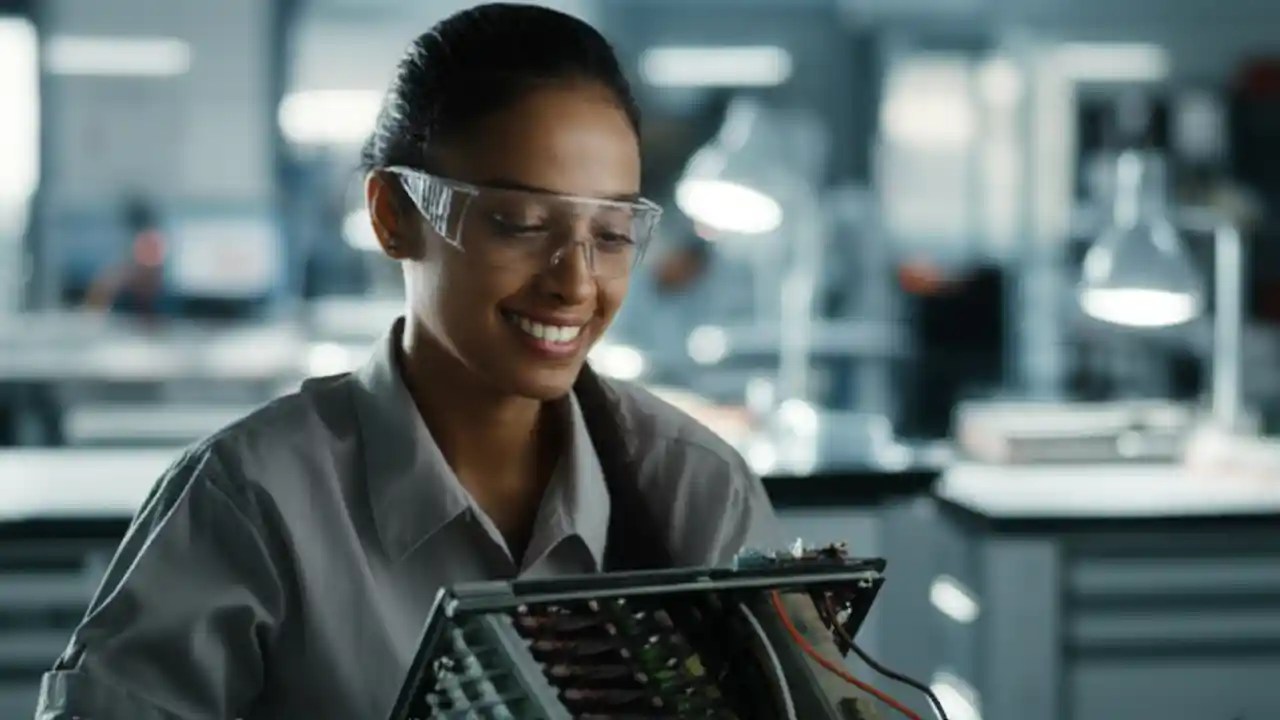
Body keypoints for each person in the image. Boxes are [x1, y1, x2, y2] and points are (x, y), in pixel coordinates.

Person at [35, 5, 873, 719]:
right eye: (521, 224)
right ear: (393, 214)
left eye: (612, 233)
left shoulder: (699, 492)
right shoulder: (252, 506)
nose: (575, 282)